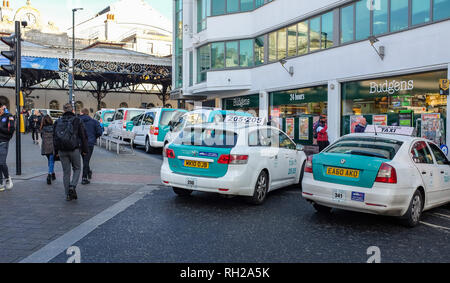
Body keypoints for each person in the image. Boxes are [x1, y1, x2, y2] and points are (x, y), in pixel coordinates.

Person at [53, 103, 88, 201]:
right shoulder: (77, 120)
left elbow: (54, 138)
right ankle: (72, 186)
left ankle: (68, 194)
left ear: (63, 110)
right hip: (74, 149)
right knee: (77, 168)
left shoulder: (58, 121)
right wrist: (85, 150)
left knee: (66, 172)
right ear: (72, 110)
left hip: (62, 150)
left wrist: (55, 151)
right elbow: (83, 136)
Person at [79, 108, 103, 185]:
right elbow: (99, 132)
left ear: (82, 113)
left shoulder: (78, 121)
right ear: (88, 113)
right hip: (89, 143)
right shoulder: (94, 122)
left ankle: (88, 172)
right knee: (86, 160)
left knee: (85, 160)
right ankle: (84, 178)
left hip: (80, 144)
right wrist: (94, 137)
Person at [0, 103, 15, 192]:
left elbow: (11, 130)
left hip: (3, 142)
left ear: (2, 107)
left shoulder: (8, 116)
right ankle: (0, 183)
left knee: (1, 162)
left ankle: (7, 178)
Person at [40, 115, 56, 185]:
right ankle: (49, 174)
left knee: (50, 161)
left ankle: (52, 173)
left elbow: (41, 137)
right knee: (51, 161)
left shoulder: (42, 129)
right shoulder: (54, 128)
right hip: (52, 147)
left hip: (45, 147)